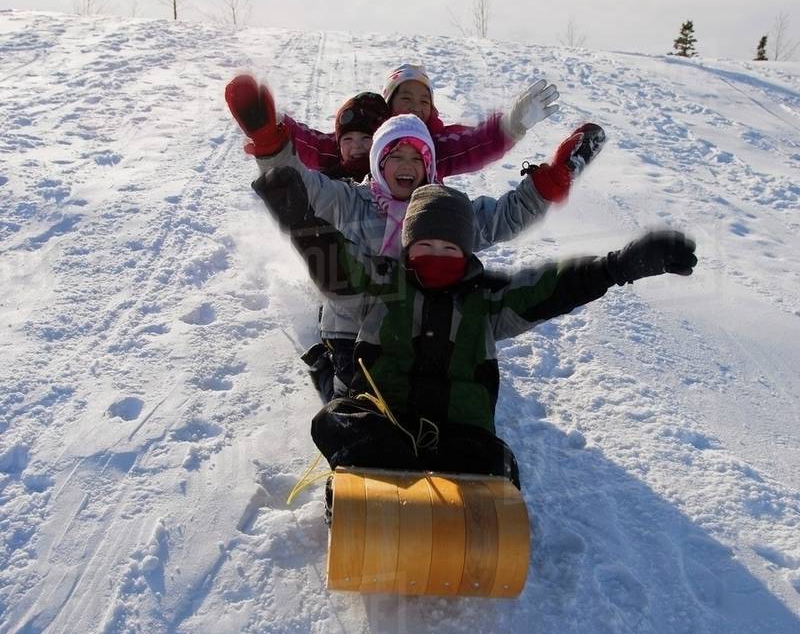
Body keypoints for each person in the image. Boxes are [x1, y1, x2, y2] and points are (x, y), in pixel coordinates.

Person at [251, 172, 697, 492]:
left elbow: (551, 288)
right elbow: (337, 266)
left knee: (492, 461)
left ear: (466, 252)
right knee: (339, 422)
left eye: (449, 248)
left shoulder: (488, 301)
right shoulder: (382, 284)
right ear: (407, 248)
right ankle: (355, 494)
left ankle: (474, 513)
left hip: (457, 432)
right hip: (385, 419)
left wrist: (617, 267)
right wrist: (300, 220)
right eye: (424, 246)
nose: (436, 255)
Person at [230, 76, 607, 396]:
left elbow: (503, 217)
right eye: (395, 157)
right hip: (353, 328)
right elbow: (300, 186)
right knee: (357, 399)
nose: (406, 166)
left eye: (416, 158)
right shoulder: (351, 201)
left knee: (433, 396)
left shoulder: (442, 212)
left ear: (428, 166)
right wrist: (269, 144)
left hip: (418, 327)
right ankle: (325, 370)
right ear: (378, 164)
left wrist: (553, 178)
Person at [228, 63, 560, 183]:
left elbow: (473, 145)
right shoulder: (363, 136)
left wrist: (513, 124)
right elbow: (317, 146)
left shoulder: (432, 148)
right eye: (406, 98)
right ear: (388, 105)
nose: (416, 108)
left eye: (424, 101)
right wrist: (278, 126)